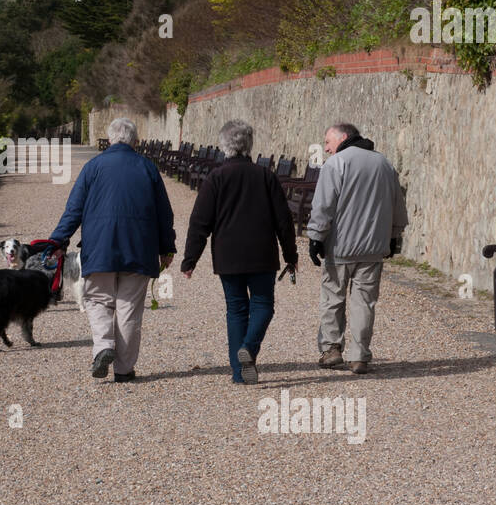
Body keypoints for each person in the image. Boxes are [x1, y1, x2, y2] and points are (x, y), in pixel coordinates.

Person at [49, 117, 176, 382]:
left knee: (97, 299)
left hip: (99, 247)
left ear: (109, 139)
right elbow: (164, 213)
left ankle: (104, 346)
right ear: (135, 141)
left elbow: (74, 209)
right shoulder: (148, 168)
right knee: (129, 308)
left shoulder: (93, 167)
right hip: (139, 249)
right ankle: (124, 370)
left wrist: (58, 242)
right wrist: (167, 247)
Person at [180, 120, 298, 385]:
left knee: (235, 310)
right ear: (249, 145)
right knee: (263, 305)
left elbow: (200, 222)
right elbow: (283, 221)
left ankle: (238, 371)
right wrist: (291, 255)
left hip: (228, 255)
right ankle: (249, 348)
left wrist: (190, 260)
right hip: (261, 254)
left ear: (223, 146)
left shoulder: (216, 178)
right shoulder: (266, 176)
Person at [306, 122, 408, 374]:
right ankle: (359, 355)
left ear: (342, 137)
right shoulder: (384, 164)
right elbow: (398, 204)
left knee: (333, 298)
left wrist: (316, 237)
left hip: (340, 247)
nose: (327, 148)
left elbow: (323, 205)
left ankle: (331, 349)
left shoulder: (336, 164)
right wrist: (394, 236)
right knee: (364, 302)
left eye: (328, 142)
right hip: (373, 248)